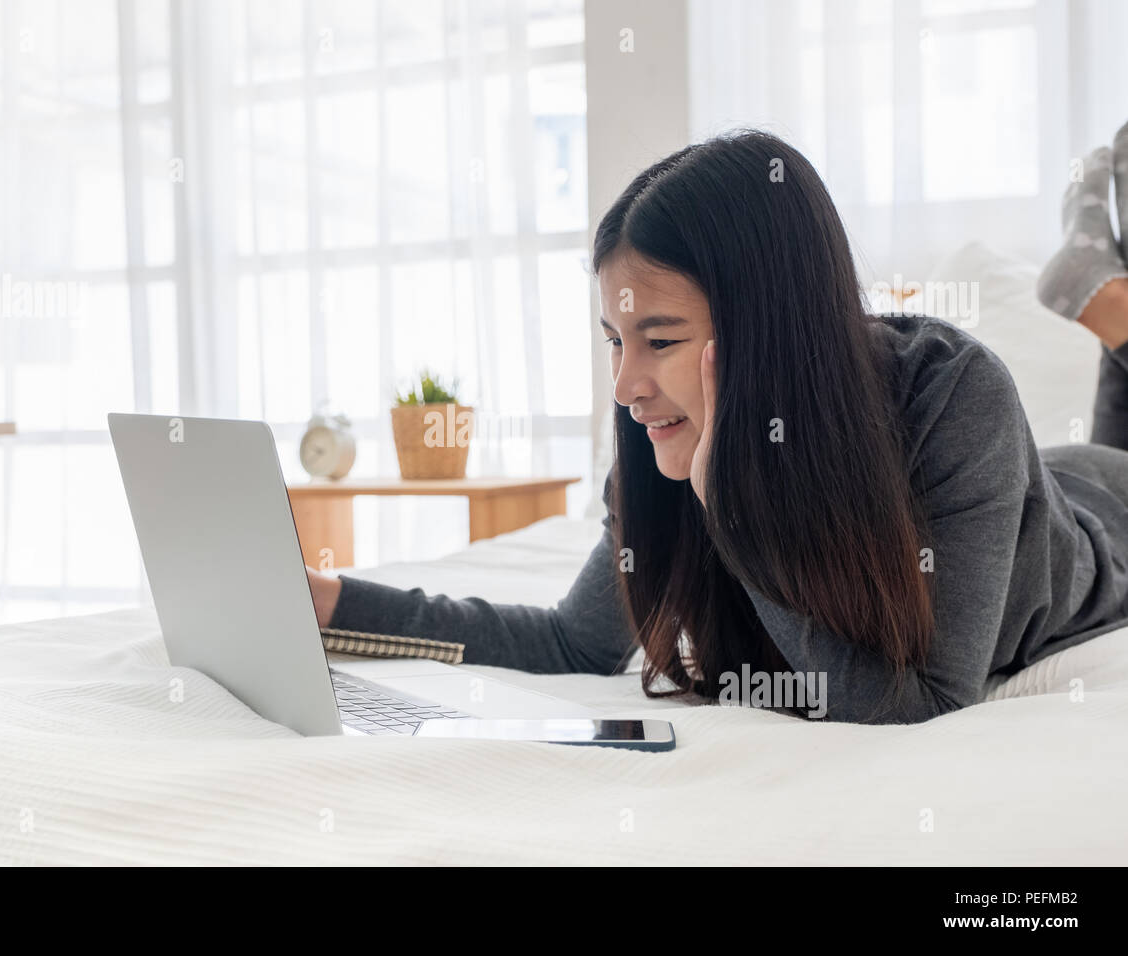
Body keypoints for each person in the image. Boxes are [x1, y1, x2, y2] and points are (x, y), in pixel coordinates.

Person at [305, 127, 1128, 725]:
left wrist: (729, 506)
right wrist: (334, 601)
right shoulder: (660, 426)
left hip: (1102, 518)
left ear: (767, 328)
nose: (627, 385)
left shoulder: (954, 395)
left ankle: (1103, 279)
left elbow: (924, 702)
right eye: (615, 342)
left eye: (659, 341)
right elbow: (573, 641)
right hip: (1045, 478)